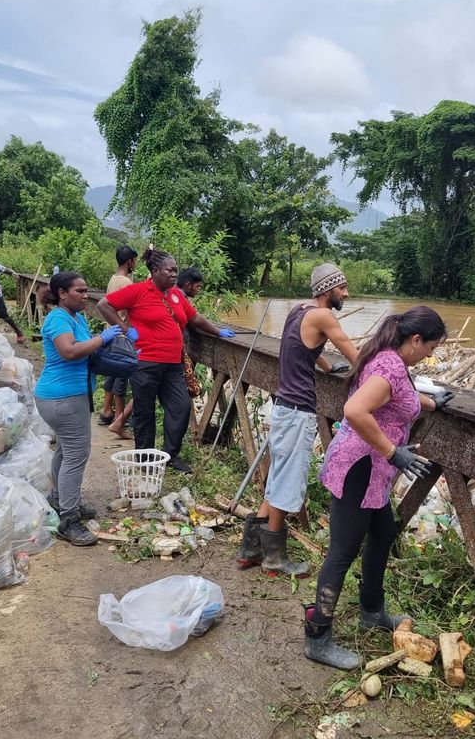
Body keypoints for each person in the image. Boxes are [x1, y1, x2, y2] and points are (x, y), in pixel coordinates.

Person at [302, 306, 451, 669]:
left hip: (372, 471)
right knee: (342, 550)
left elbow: (398, 398)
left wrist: (430, 402)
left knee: (383, 533)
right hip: (360, 467)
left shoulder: (392, 360)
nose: (431, 354)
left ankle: (371, 610)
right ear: (415, 340)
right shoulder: (388, 366)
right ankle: (317, 636)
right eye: (430, 347)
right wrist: (392, 451)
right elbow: (355, 410)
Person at [236, 263, 360, 578]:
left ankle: (251, 548)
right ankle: (275, 559)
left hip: (284, 407)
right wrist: (387, 373)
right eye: (341, 287)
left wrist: (327, 367)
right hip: (298, 410)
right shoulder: (324, 315)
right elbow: (353, 353)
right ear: (327, 289)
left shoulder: (299, 311)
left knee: (278, 476)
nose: (345, 293)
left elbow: (301, 345)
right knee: (288, 482)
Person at [96, 247, 235, 473]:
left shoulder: (175, 295)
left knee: (180, 407)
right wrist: (124, 328)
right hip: (145, 363)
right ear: (156, 270)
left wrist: (218, 332)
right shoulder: (138, 291)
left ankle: (170, 455)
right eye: (170, 270)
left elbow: (195, 318)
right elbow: (104, 305)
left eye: (176, 271)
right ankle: (145, 458)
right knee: (144, 411)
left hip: (173, 365)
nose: (174, 274)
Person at [33, 271, 122, 546]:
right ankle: (68, 520)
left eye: (86, 291)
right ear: (62, 294)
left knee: (65, 451)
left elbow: (86, 346)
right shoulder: (57, 318)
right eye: (80, 291)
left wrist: (103, 340)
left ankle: (60, 499)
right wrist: (104, 338)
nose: (86, 296)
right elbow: (69, 351)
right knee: (76, 455)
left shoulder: (76, 317)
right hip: (62, 397)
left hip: (72, 395)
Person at [98, 245, 139, 438]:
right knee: (122, 375)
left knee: (113, 373)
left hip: (110, 331)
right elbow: (130, 311)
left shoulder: (113, 279)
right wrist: (131, 332)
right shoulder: (127, 283)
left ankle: (107, 411)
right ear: (130, 261)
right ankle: (119, 421)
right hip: (122, 334)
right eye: (135, 260)